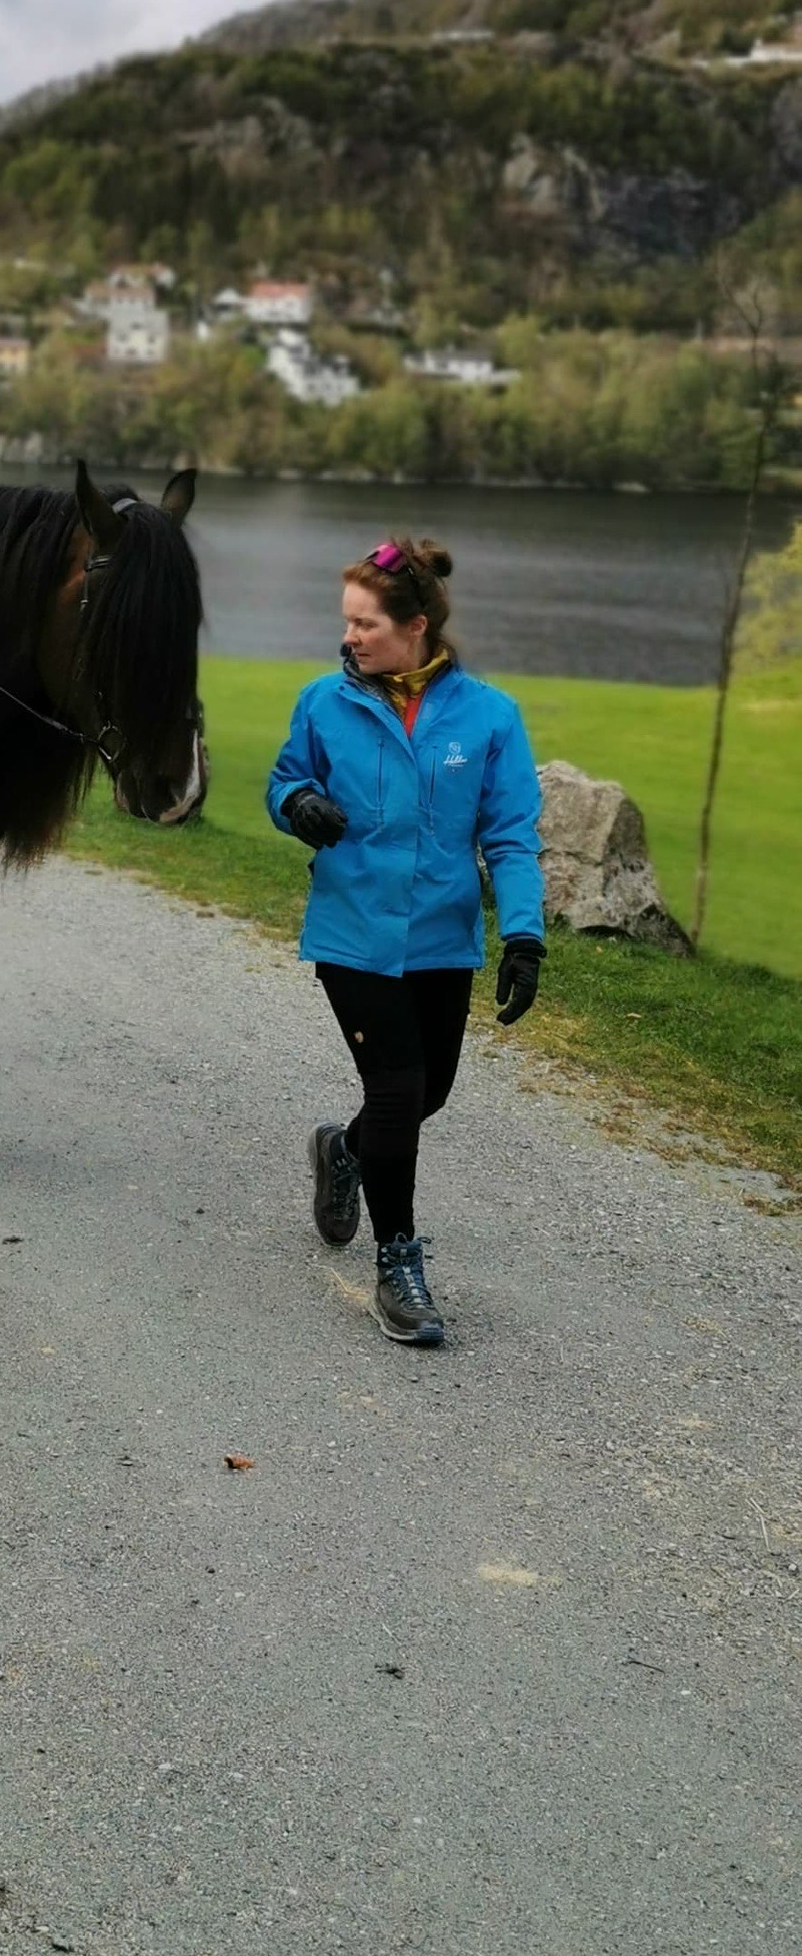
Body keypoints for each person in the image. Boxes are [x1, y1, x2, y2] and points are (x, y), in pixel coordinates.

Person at [265, 535, 545, 1349]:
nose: (349, 637)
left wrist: (523, 937)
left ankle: (343, 1151)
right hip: (352, 933)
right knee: (396, 1091)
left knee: (429, 1094)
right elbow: (286, 780)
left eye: (365, 623)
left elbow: (513, 838)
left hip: (442, 940)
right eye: (347, 622)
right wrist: (299, 806)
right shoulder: (325, 702)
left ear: (415, 626)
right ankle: (399, 1267)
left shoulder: (490, 716)